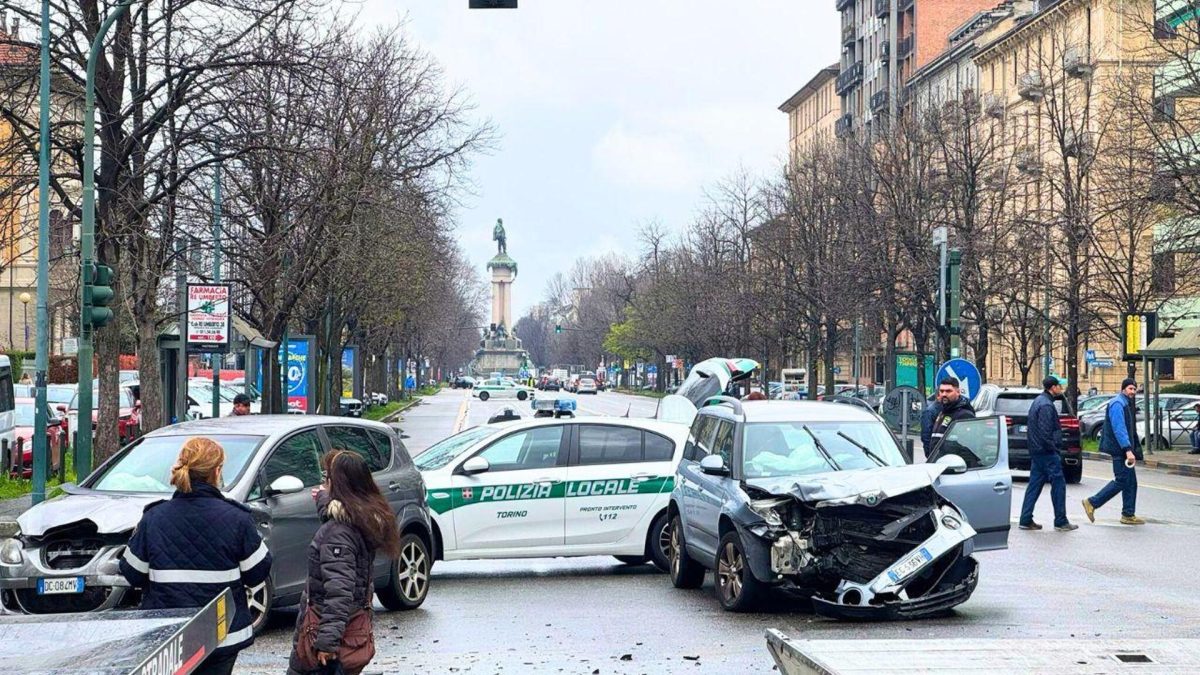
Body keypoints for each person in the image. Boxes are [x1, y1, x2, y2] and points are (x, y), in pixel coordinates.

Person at [119, 437, 272, 675]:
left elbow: (132, 573)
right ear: (217, 471)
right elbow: (257, 573)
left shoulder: (154, 517)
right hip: (223, 634)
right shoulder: (237, 518)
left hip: (168, 638)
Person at [288, 451, 401, 675]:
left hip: (326, 634)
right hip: (350, 630)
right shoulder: (361, 519)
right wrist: (323, 500)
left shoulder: (338, 533)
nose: (323, 482)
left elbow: (339, 592)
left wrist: (327, 644)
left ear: (335, 483)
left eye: (327, 477)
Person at [1083, 378, 1145, 525]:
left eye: (1134, 389)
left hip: (1122, 448)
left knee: (1130, 482)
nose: (1133, 392)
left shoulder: (1124, 403)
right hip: (1120, 449)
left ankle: (1128, 514)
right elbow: (1119, 429)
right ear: (1123, 389)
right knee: (1122, 480)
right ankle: (1092, 502)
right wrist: (1128, 450)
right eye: (1130, 388)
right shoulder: (1118, 403)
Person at [1019, 377, 1077, 532]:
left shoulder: (1039, 401)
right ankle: (1061, 521)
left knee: (1035, 485)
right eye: (1059, 386)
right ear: (1053, 387)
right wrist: (1054, 448)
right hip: (1046, 452)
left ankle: (1025, 519)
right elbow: (1046, 432)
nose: (1061, 388)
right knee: (1058, 484)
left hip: (1037, 451)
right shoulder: (1046, 405)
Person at [928, 377, 975, 453]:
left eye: (948, 391)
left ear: (958, 392)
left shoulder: (964, 415)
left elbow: (967, 447)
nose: (944, 394)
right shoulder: (943, 412)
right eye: (942, 391)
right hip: (938, 462)